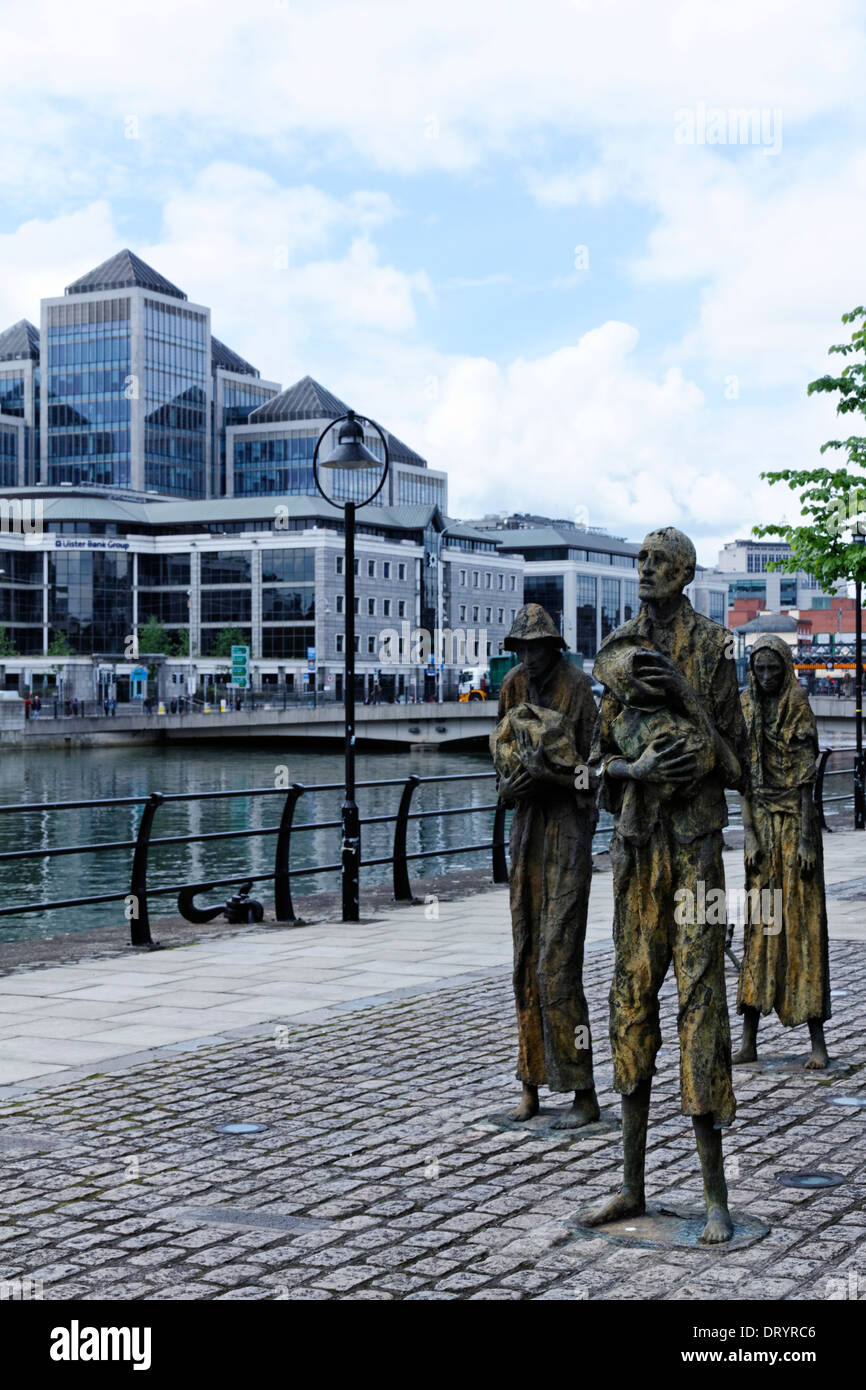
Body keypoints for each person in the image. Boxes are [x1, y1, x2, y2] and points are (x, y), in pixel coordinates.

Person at [584, 527, 749, 1244]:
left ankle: (715, 1196)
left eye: (658, 562)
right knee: (630, 997)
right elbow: (593, 772)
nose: (645, 570)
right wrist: (630, 774)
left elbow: (739, 767)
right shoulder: (616, 653)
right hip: (637, 849)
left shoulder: (713, 647)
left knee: (702, 1002)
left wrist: (687, 697)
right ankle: (630, 1185)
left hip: (696, 850)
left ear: (684, 574)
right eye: (640, 561)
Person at [493, 603, 600, 1129]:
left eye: (538, 647)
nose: (530, 657)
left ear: (553, 647)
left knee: (558, 966)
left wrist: (553, 778)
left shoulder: (579, 690)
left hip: (568, 836)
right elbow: (502, 760)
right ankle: (530, 1084)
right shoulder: (512, 686)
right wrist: (509, 789)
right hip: (528, 835)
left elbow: (594, 778)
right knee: (525, 960)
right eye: (522, 647)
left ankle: (583, 1090)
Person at [734, 635, 831, 1069]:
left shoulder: (797, 704)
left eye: (774, 669)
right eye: (761, 669)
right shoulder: (746, 707)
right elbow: (743, 784)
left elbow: (807, 781)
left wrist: (809, 839)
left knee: (804, 930)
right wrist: (750, 835)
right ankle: (749, 1038)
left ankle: (817, 1041)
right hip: (764, 830)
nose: (767, 677)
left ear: (786, 668)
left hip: (796, 826)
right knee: (760, 927)